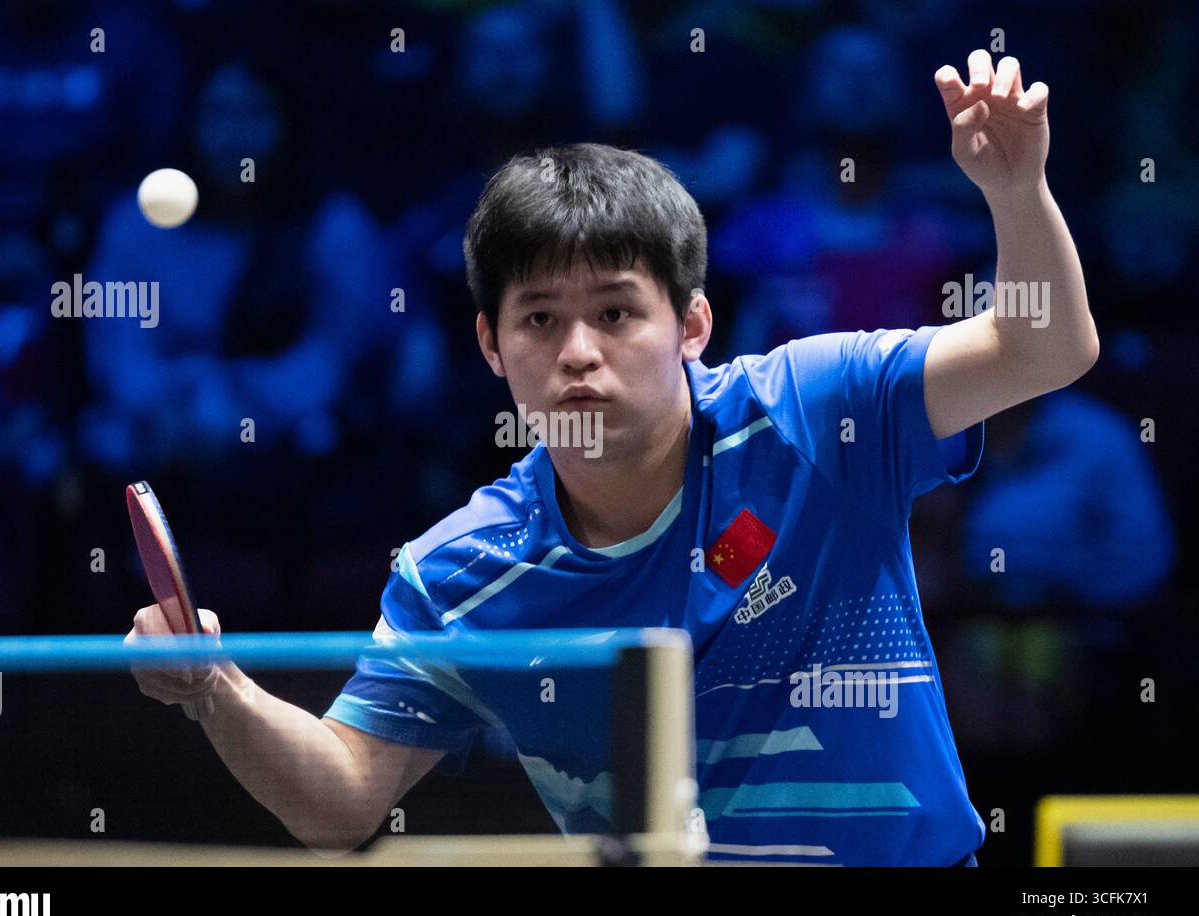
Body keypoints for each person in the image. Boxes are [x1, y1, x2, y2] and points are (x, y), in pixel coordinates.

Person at [126, 51, 1099, 865]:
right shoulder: (466, 571)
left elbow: (1044, 345)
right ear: (490, 346)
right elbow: (337, 800)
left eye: (616, 312)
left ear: (692, 324)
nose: (578, 351)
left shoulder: (819, 409)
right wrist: (216, 685)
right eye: (539, 319)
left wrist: (1017, 192)